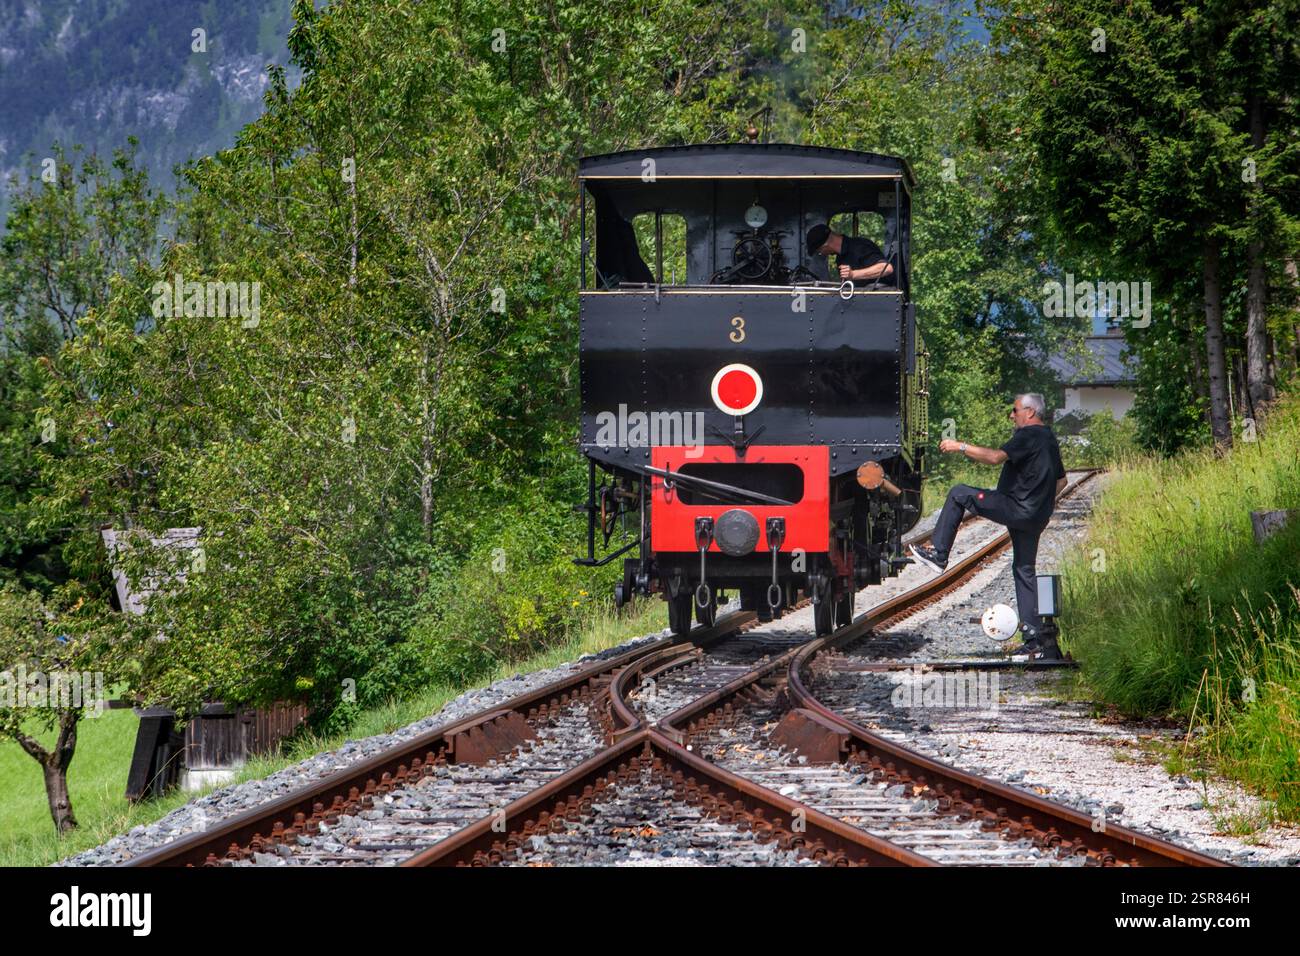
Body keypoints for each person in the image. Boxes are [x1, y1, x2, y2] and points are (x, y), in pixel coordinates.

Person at [908, 393, 1067, 657]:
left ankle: (939, 554)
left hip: (1015, 508)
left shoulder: (1027, 435)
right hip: (1036, 517)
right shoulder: (1049, 438)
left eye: (1014, 410)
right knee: (1024, 569)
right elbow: (1062, 481)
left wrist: (959, 446)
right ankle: (1035, 639)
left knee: (960, 492)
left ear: (1029, 412)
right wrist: (1040, 505)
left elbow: (994, 457)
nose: (1011, 416)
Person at [805, 223, 894, 286]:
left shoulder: (859, 246)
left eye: (819, 251)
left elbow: (886, 268)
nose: (821, 254)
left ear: (825, 246)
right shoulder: (840, 258)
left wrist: (853, 274)